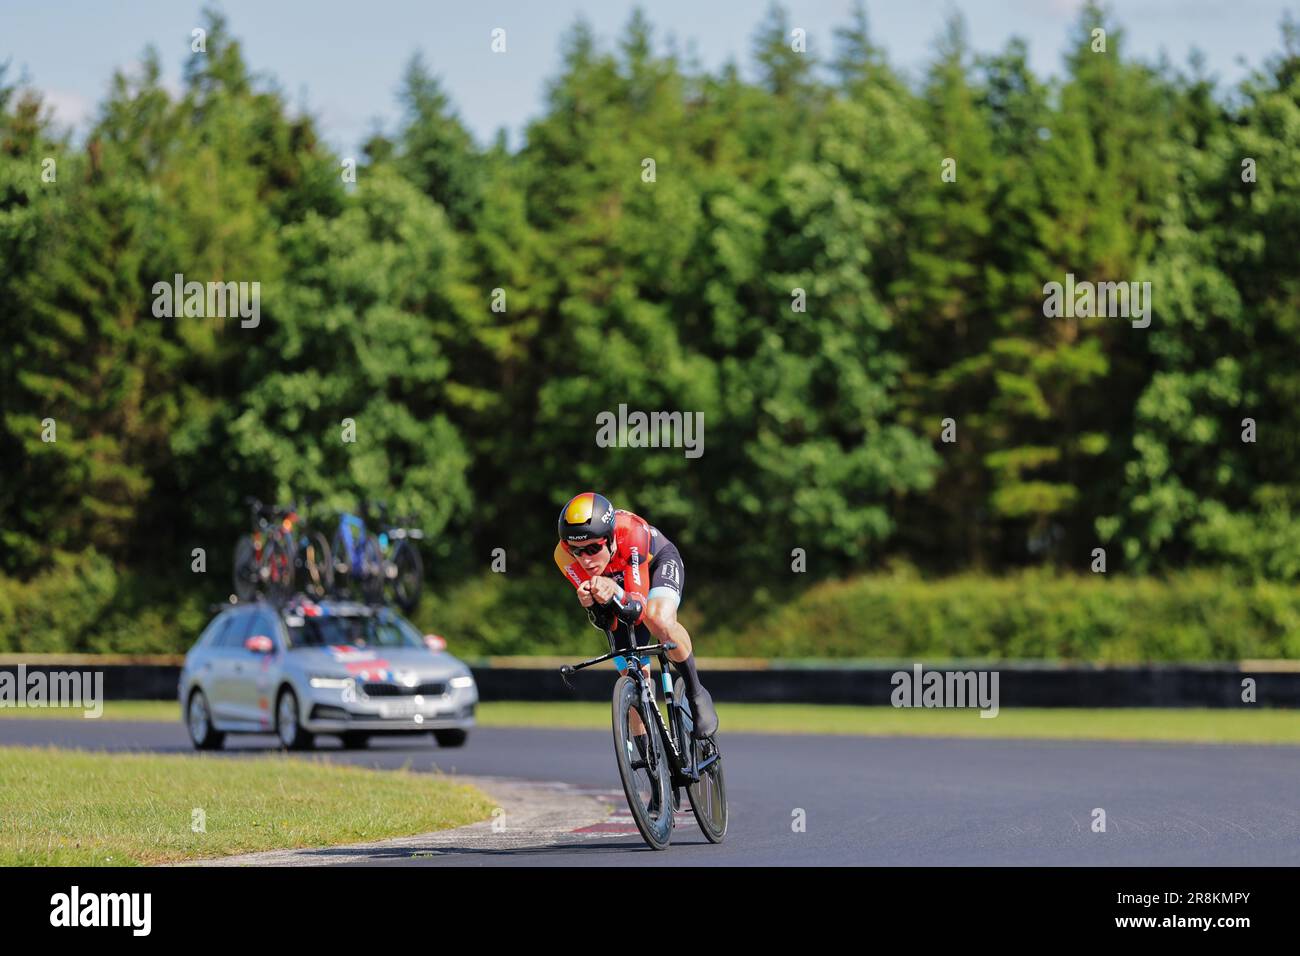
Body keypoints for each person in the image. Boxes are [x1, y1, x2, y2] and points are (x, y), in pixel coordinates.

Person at [553, 491, 718, 739]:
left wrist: (615, 592)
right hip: (619, 587)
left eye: (593, 548)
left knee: (657, 619)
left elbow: (638, 610)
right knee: (629, 669)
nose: (585, 560)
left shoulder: (632, 531)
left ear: (609, 539)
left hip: (654, 565)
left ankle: (696, 693)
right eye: (577, 551)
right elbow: (606, 621)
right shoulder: (563, 556)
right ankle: (649, 755)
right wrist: (592, 605)